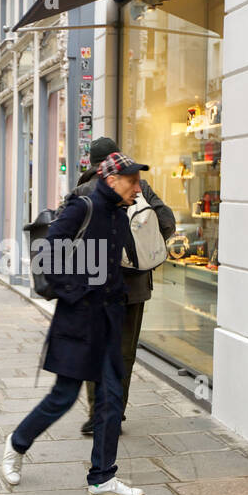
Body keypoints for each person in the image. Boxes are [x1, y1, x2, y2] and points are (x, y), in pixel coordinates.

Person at [0, 152, 148, 495]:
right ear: (112, 179)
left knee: (111, 399)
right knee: (63, 397)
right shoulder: (84, 207)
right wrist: (76, 293)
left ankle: (102, 476)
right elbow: (47, 254)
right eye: (132, 181)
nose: (138, 188)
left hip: (110, 319)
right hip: (77, 319)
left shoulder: (119, 213)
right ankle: (16, 445)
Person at [72, 137, 175, 435]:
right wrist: (140, 250)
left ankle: (97, 414)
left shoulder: (82, 191)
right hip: (134, 287)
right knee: (124, 353)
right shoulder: (138, 187)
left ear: (92, 164)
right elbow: (167, 222)